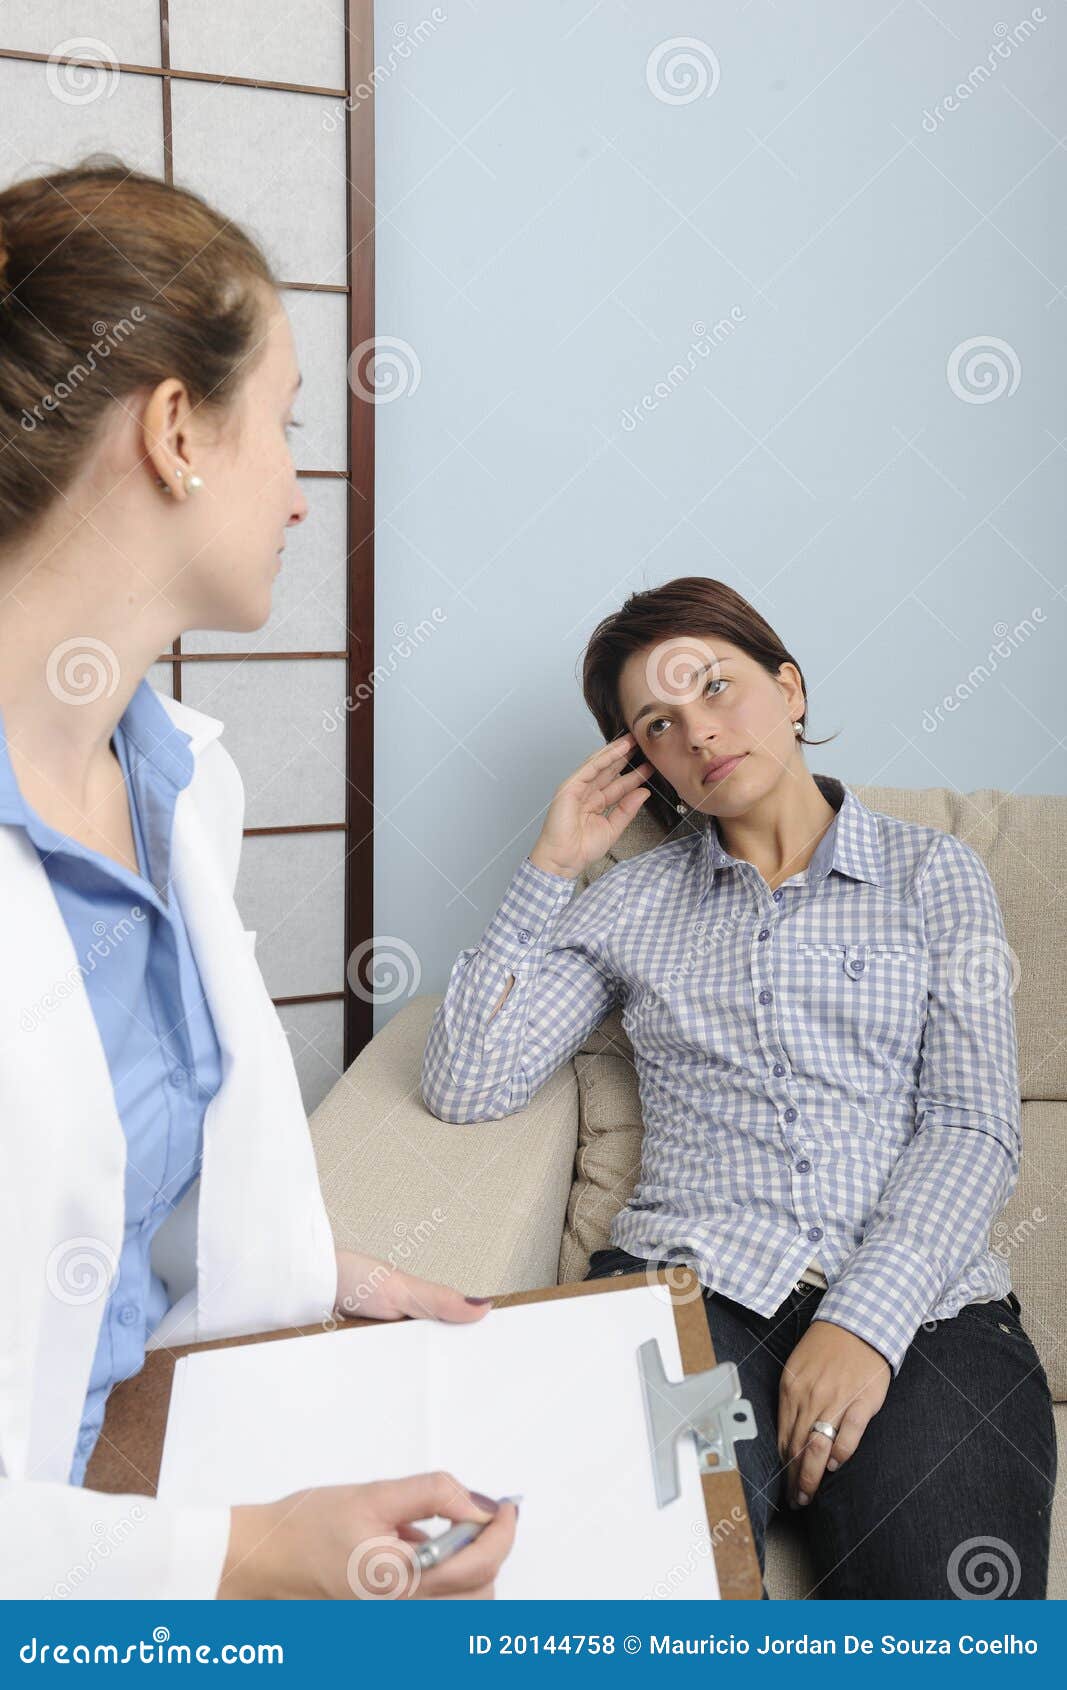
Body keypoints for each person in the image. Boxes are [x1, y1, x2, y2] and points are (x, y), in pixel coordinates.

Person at [0, 157, 517, 1599]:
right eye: (284, 426)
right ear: (174, 429)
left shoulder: (170, 784)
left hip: (138, 1489)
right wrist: (241, 1558)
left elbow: (85, 1192)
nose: (302, 490)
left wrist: (303, 1262)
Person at [422, 575, 1056, 1599]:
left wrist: (863, 1321)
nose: (701, 734)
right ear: (645, 761)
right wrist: (549, 864)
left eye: (718, 688)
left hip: (927, 1313)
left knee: (951, 1619)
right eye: (660, 724)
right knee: (652, 1588)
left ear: (790, 688)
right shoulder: (627, 900)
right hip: (688, 1301)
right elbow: (465, 1083)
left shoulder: (934, 874)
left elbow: (972, 1124)